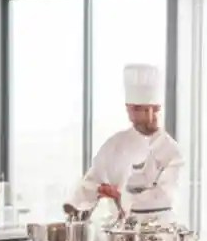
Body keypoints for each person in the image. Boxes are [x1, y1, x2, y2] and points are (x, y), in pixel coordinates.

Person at [64, 64, 184, 223]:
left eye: (140, 109)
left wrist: (119, 196)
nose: (133, 115)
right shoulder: (115, 144)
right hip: (118, 233)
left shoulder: (171, 152)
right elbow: (92, 182)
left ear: (156, 109)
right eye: (133, 109)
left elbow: (163, 197)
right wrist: (74, 205)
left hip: (159, 233)